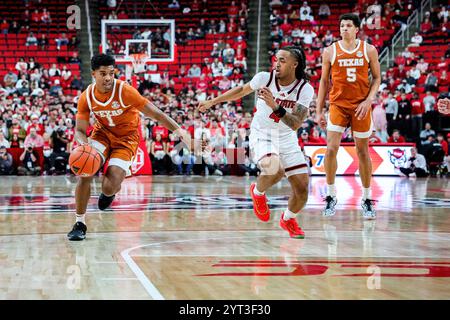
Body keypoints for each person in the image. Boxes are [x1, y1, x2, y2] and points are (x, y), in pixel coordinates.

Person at [68, 54, 196, 241]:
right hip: (101, 135)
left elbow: (157, 114)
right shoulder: (86, 97)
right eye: (103, 73)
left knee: (110, 185)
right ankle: (80, 222)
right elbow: (80, 130)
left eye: (111, 73)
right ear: (93, 74)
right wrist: (83, 144)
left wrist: (180, 131)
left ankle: (108, 193)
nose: (108, 78)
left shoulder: (125, 91)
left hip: (126, 139)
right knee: (85, 172)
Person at [199, 46, 314, 239]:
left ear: (295, 64)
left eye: (283, 60)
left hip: (287, 137)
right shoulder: (264, 78)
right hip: (263, 133)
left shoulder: (305, 89)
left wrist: (274, 105)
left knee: (302, 187)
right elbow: (241, 90)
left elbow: (295, 124)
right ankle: (258, 192)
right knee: (275, 170)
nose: (277, 63)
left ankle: (288, 219)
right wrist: (213, 101)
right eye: (276, 59)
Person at [315, 13, 381, 219]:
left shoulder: (368, 49)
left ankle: (367, 198)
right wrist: (318, 110)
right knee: (331, 149)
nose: (344, 28)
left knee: (363, 152)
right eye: (342, 25)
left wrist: (369, 99)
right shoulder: (330, 51)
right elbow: (324, 82)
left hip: (361, 106)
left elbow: (377, 78)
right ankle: (331, 195)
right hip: (338, 105)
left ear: (356, 29)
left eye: (348, 25)